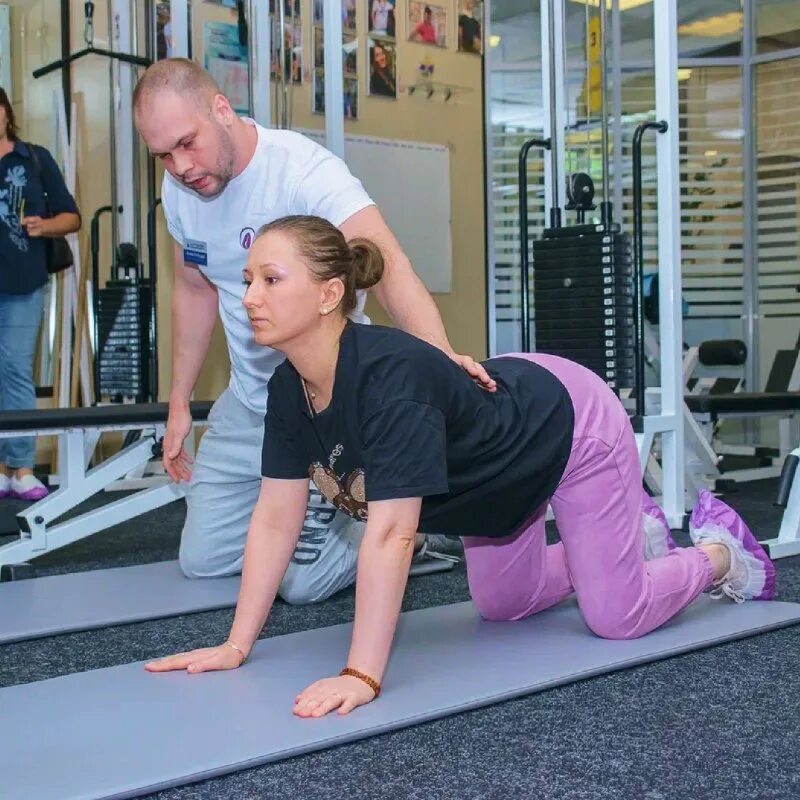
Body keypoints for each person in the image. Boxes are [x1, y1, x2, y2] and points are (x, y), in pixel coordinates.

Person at [145, 216, 776, 719]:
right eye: (248, 279)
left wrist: (361, 675)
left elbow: (392, 536)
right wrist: (236, 645)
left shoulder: (390, 379)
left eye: (271, 280)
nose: (249, 297)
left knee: (616, 617)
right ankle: (624, 540)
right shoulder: (289, 388)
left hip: (566, 426)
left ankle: (719, 552)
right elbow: (274, 522)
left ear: (330, 295)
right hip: (495, 472)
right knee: (503, 603)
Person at [131, 60, 491, 603]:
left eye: (188, 143)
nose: (180, 167)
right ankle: (299, 503)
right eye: (163, 154)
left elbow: (387, 264)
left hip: (329, 402)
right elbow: (195, 288)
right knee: (201, 562)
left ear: (221, 110)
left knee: (300, 584)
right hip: (253, 398)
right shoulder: (180, 192)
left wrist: (440, 363)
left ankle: (404, 531)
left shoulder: (302, 171)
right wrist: (178, 401)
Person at [0, 87, 80, 502]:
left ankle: (23, 467)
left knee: (14, 368)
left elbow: (72, 216)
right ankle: (1, 470)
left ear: (6, 114)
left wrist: (42, 226)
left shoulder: (33, 158)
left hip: (23, 282)